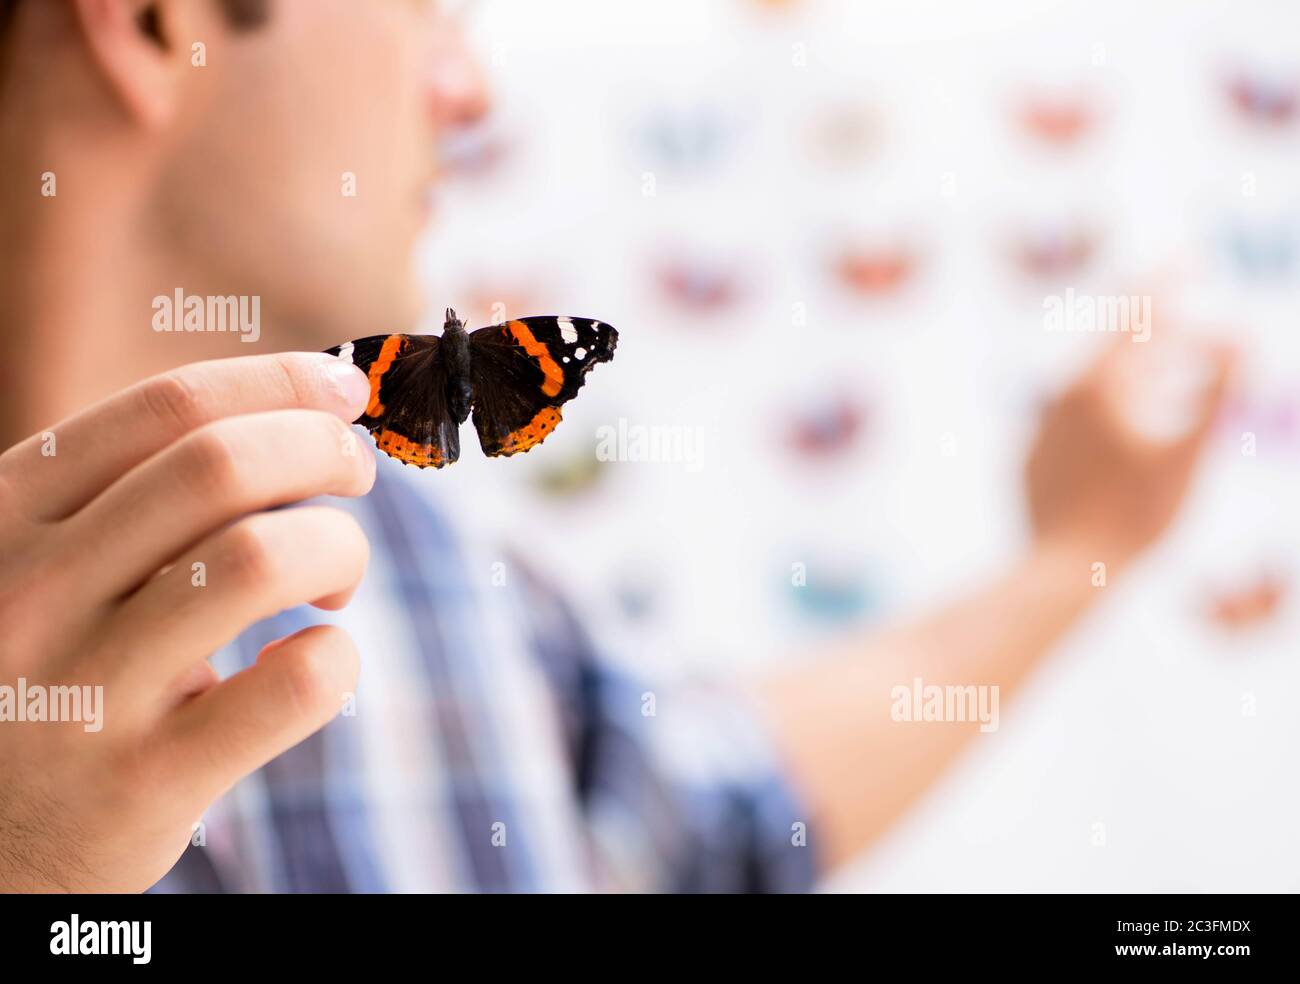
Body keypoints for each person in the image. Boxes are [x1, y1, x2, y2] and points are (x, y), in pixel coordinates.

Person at [0, 0, 1232, 892]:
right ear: (155, 23)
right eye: (425, 16)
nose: (469, 92)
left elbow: (710, 811)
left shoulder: (419, 561)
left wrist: (1076, 548)